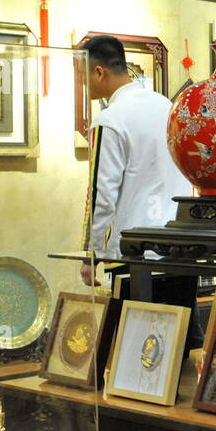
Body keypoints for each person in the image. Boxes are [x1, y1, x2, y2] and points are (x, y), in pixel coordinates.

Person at [80, 36, 193, 285]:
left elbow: (102, 192)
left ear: (99, 72)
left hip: (134, 251)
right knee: (182, 321)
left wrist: (92, 252)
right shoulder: (166, 106)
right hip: (179, 244)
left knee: (132, 322)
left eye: (83, 75)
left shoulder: (108, 119)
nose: (83, 83)